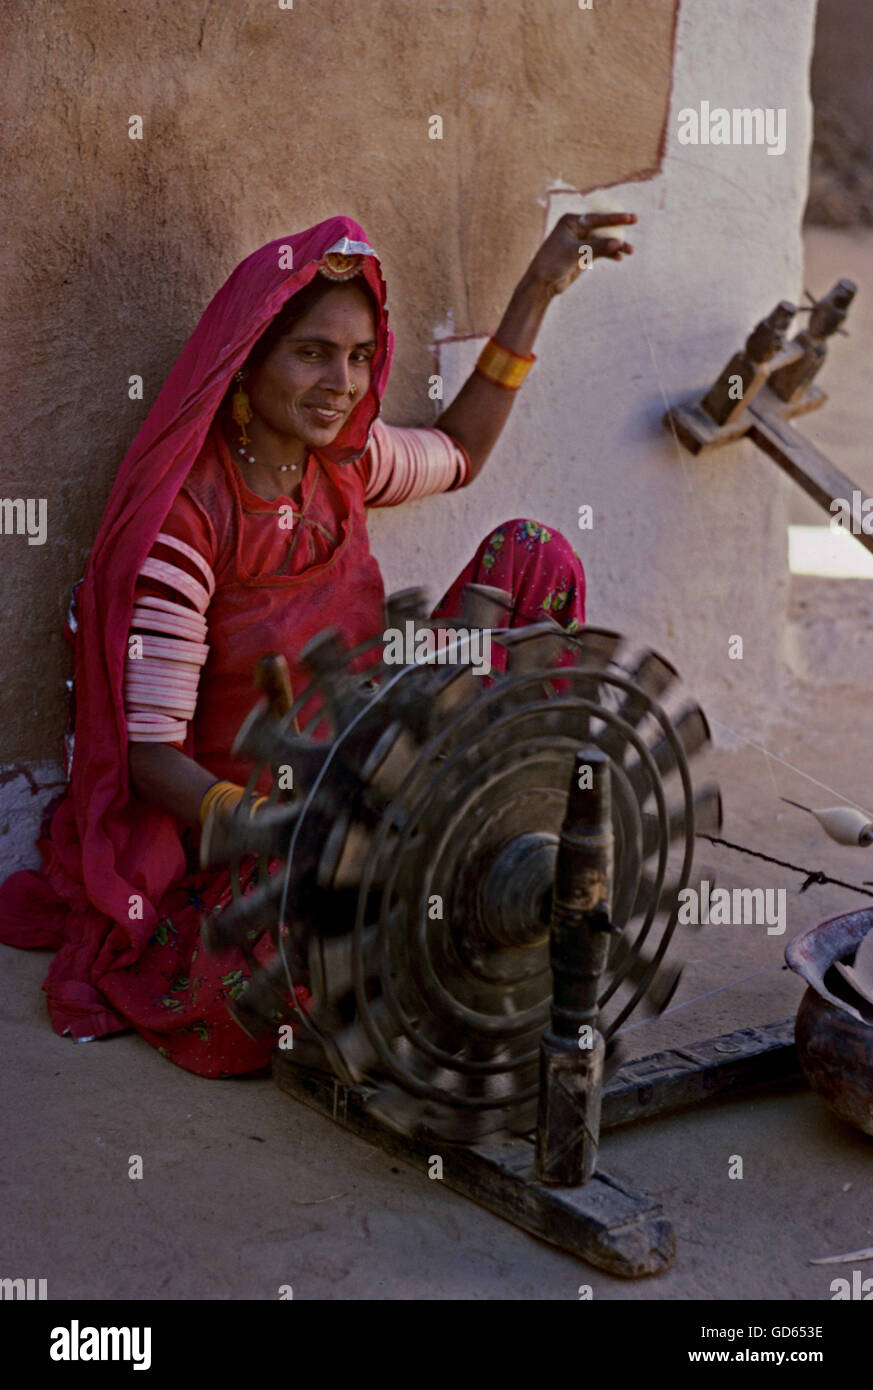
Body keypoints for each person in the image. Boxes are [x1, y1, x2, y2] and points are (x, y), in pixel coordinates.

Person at [0, 211, 635, 1076]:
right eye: (311, 353)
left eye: (360, 357)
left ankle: (479, 836)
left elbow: (459, 450)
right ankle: (420, 889)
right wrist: (280, 828)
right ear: (246, 362)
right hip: (275, 821)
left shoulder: (345, 460)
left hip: (374, 754)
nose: (341, 380)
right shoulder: (186, 529)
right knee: (254, 999)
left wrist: (536, 292)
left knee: (531, 555)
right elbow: (150, 756)